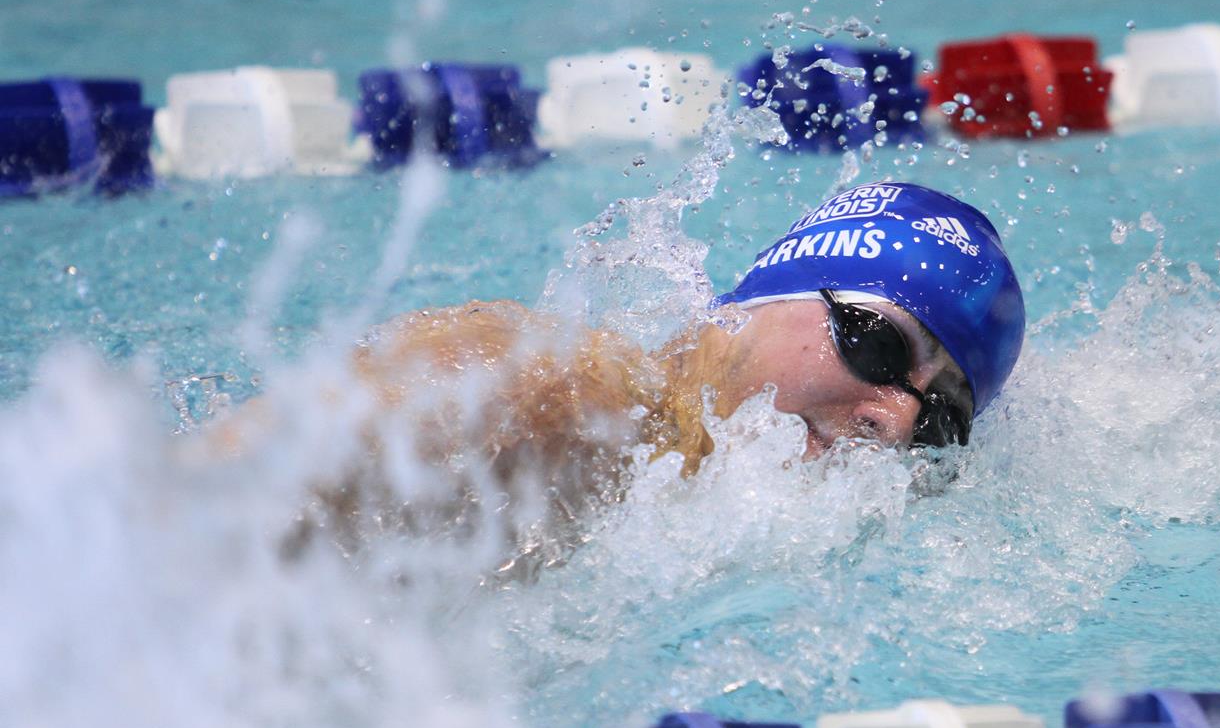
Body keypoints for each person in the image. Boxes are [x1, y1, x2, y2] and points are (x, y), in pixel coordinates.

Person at [225, 181, 1024, 556]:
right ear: (758, 298)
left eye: (941, 417)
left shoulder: (677, 509)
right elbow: (188, 514)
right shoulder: (542, 394)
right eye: (878, 345)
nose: (897, 420)